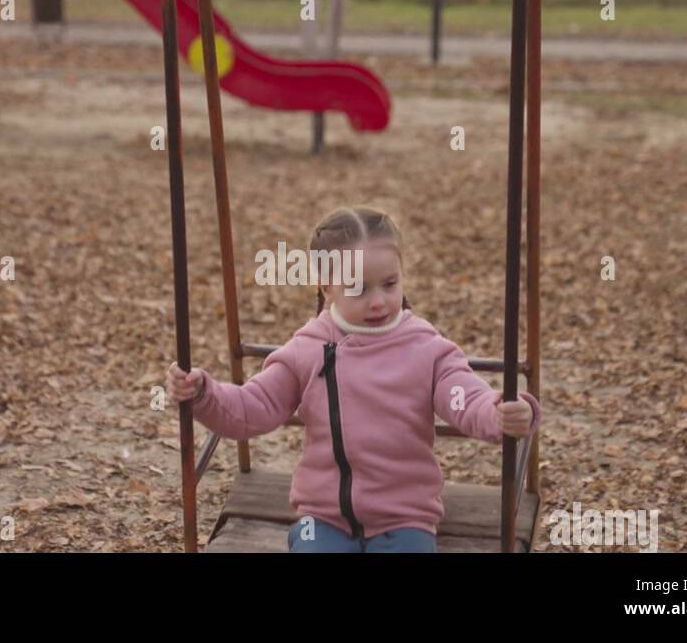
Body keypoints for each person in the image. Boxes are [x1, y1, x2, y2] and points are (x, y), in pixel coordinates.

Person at [167, 207, 541, 552]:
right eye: (359, 289)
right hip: (322, 515)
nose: (378, 301)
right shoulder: (308, 349)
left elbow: (462, 396)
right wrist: (203, 393)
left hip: (405, 516)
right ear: (327, 287)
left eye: (390, 284)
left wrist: (499, 413)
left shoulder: (425, 348)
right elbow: (254, 408)